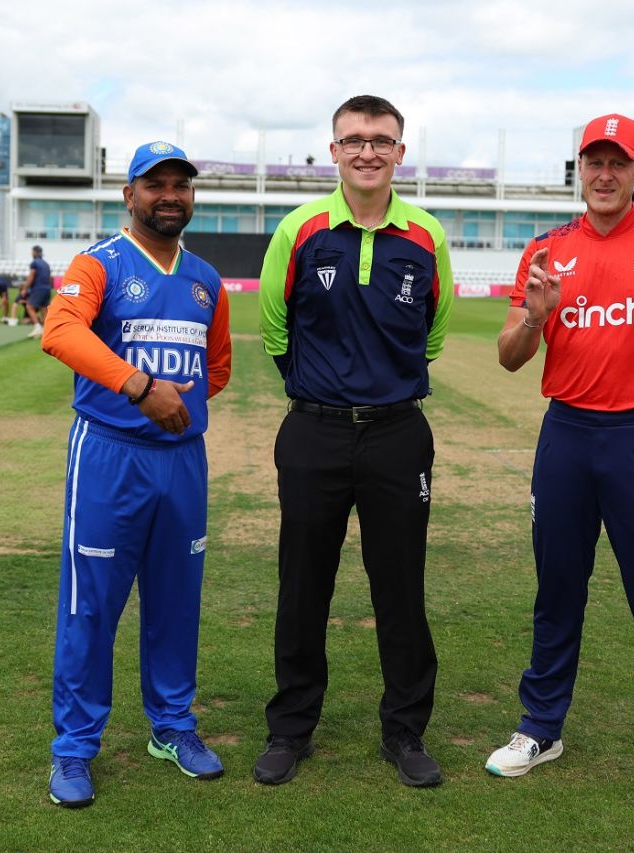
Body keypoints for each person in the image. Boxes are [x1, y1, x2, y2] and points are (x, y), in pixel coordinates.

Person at [485, 113, 634, 814]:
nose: (604, 174)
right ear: (579, 169)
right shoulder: (546, 248)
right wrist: (535, 315)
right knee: (558, 588)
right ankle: (540, 728)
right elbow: (509, 356)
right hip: (566, 433)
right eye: (593, 161)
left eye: (618, 162)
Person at [255, 95, 454, 788]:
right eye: (353, 139)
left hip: (399, 435)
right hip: (313, 432)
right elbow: (276, 330)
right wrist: (321, 392)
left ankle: (405, 731)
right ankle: (291, 728)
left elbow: (433, 330)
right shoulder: (300, 229)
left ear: (401, 151)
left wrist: (382, 389)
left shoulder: (427, 234)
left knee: (400, 587)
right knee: (302, 585)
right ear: (332, 150)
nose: (367, 150)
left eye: (381, 139)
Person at [39, 140, 232, 808]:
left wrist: (175, 404)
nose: (170, 194)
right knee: (91, 604)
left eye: (181, 184)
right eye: (156, 185)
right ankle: (73, 748)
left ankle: (173, 728)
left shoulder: (206, 278)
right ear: (129, 195)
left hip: (182, 463)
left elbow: (218, 369)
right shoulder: (97, 264)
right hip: (108, 456)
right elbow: (60, 331)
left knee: (177, 601)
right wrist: (137, 384)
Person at [22, 245, 54, 338]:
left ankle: (37, 327)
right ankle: (46, 330)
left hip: (38, 288)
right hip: (47, 288)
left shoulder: (34, 263)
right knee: (44, 309)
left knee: (29, 306)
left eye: (32, 252)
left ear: (35, 252)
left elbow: (31, 276)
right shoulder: (46, 264)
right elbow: (49, 278)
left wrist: (25, 288)